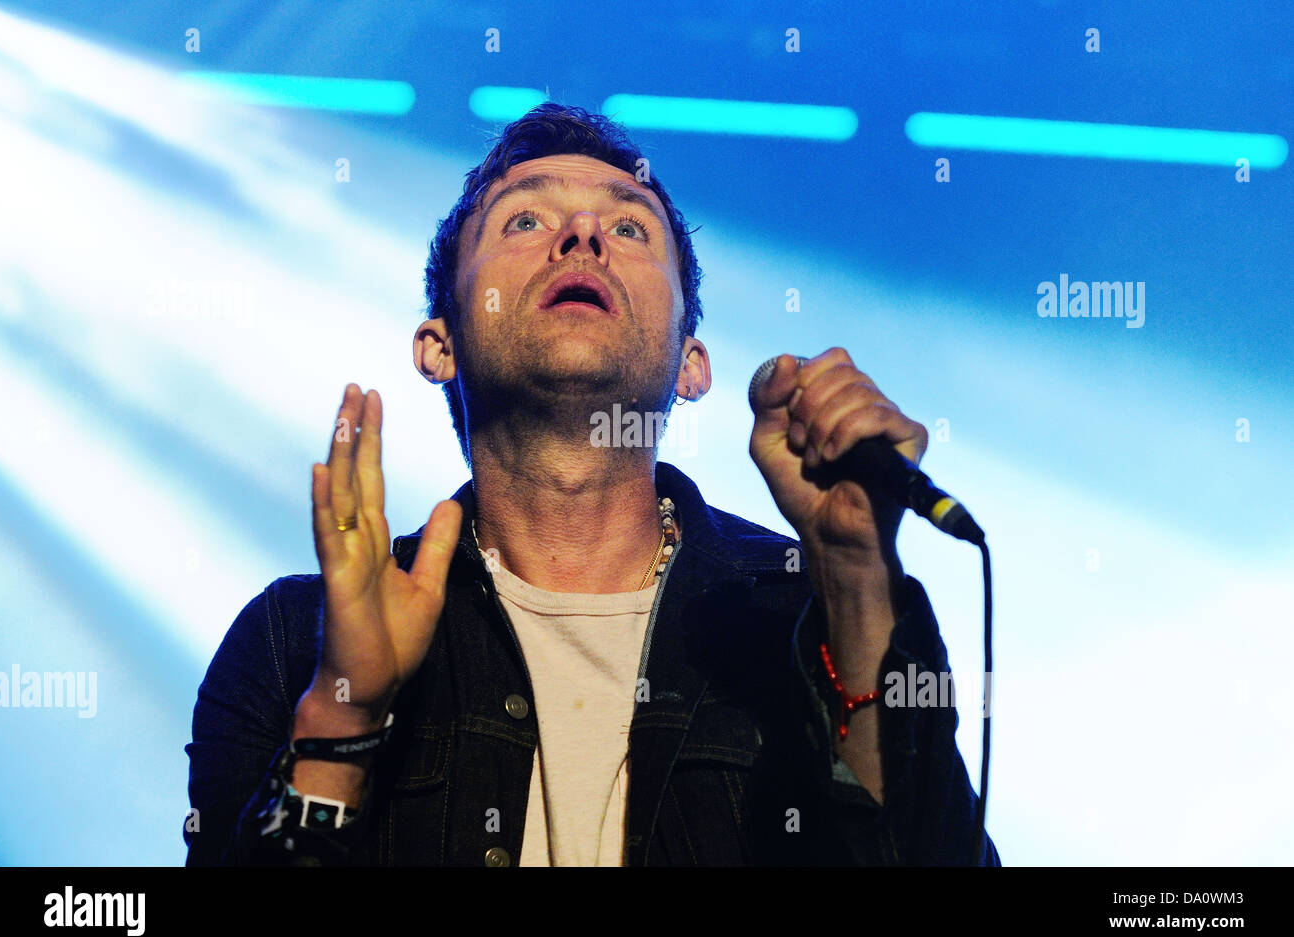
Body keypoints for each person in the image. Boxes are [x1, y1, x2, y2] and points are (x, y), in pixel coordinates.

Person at [185, 103, 999, 867]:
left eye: (627, 225)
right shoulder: (295, 642)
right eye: (526, 219)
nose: (582, 235)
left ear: (691, 362)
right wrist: (345, 718)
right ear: (440, 343)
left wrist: (856, 578)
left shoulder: (795, 615)